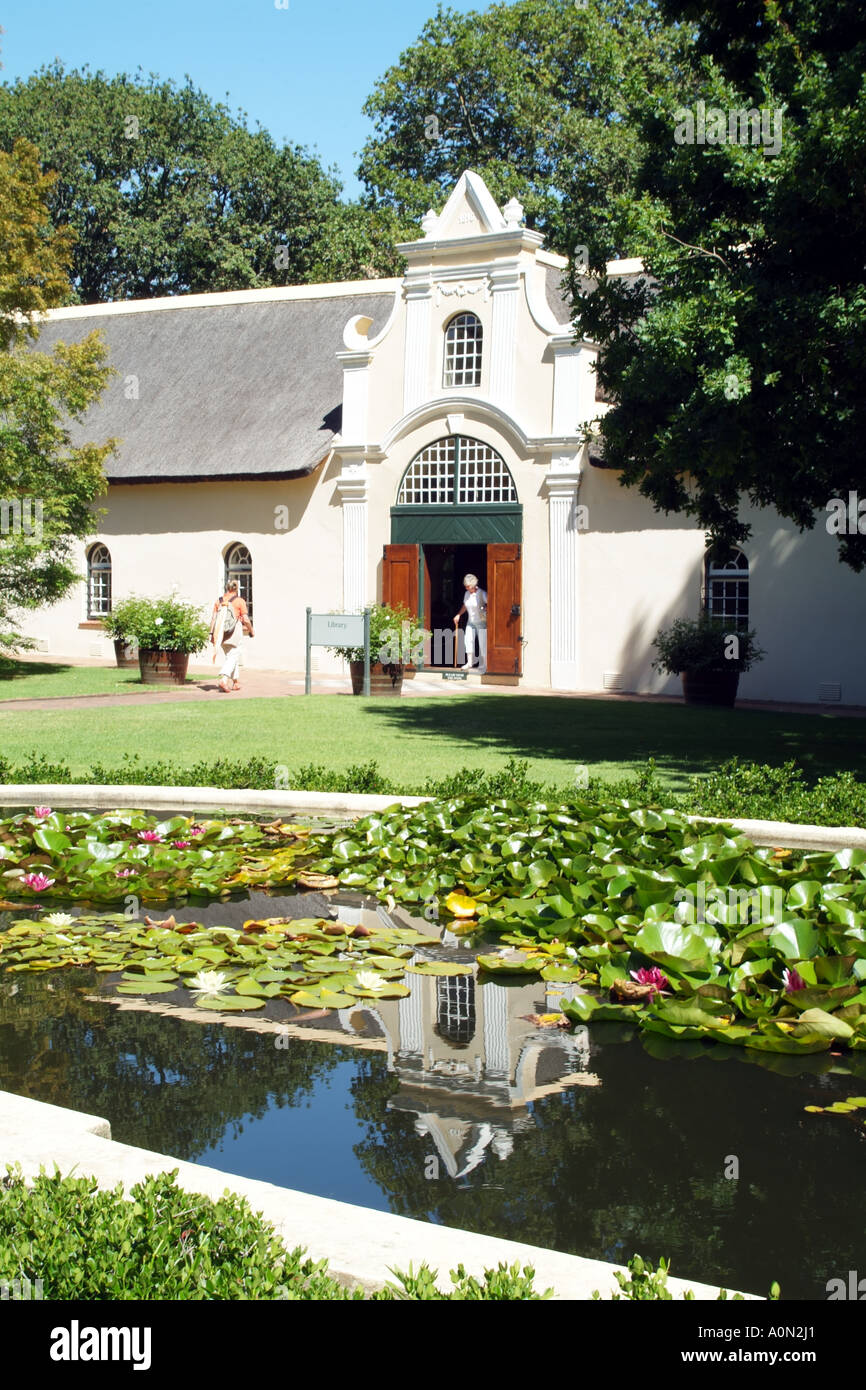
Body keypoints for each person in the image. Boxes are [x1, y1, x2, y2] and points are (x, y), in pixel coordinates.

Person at [210, 581, 254, 693]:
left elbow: (213, 619)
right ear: (236, 589)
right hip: (234, 631)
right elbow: (245, 619)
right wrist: (251, 630)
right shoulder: (239, 601)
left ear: (226, 588)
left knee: (231, 656)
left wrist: (211, 634)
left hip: (220, 633)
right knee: (233, 656)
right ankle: (224, 679)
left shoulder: (219, 601)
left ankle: (235, 682)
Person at [453, 573, 487, 674]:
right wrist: (458, 614)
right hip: (470, 622)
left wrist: (486, 608)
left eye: (468, 586)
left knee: (482, 644)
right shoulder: (467, 594)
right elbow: (465, 606)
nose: (466, 588)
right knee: (468, 640)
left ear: (473, 584)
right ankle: (470, 662)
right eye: (465, 586)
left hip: (482, 622)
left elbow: (490, 603)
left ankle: (484, 665)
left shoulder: (482, 593)